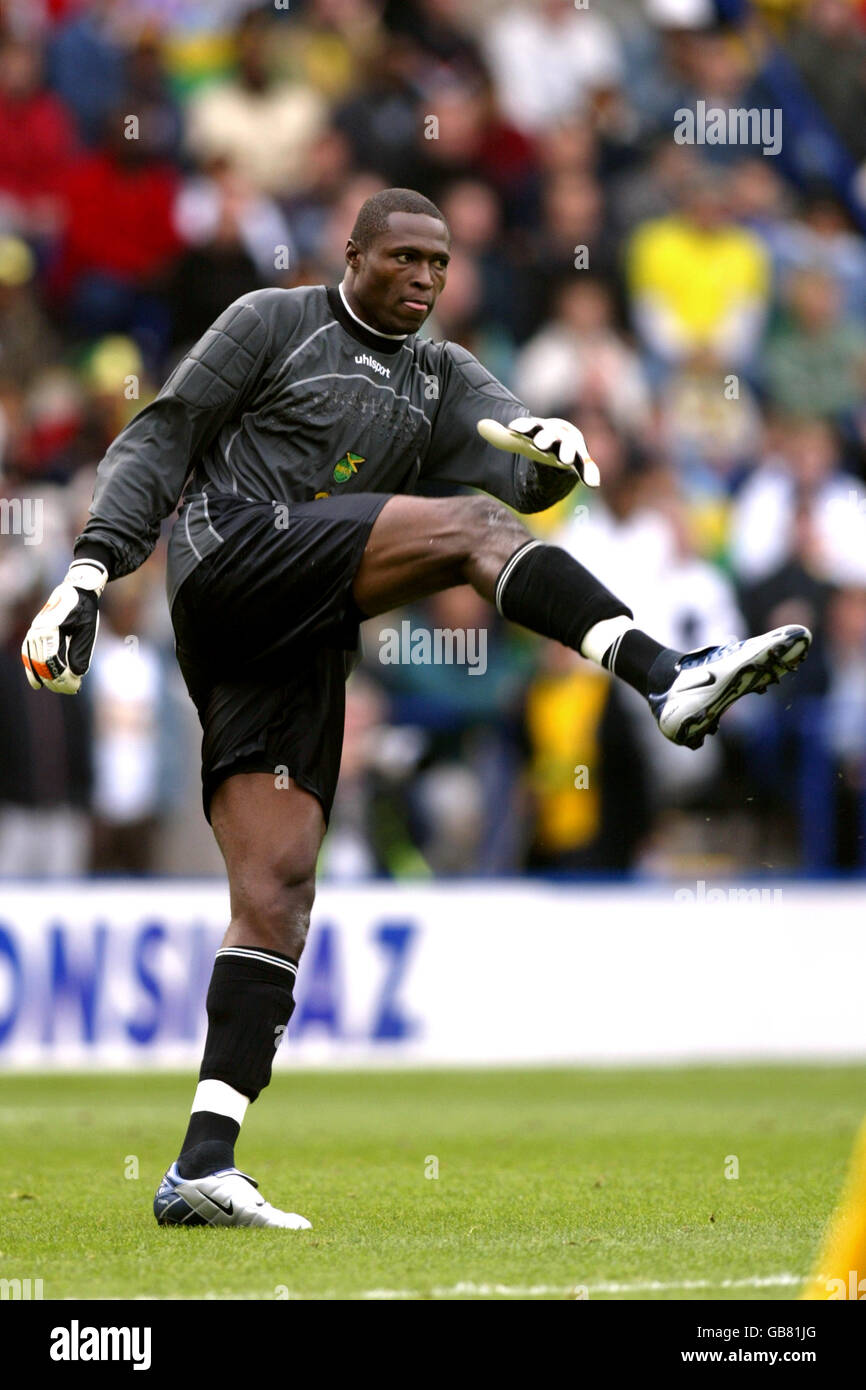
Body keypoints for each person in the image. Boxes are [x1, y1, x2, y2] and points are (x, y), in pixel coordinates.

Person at [20, 188, 810, 1229]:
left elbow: (509, 471)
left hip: (295, 638)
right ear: (350, 255)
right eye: (403, 258)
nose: (425, 279)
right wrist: (85, 573)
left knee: (277, 892)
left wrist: (546, 454)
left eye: (438, 264)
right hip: (228, 560)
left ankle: (202, 1163)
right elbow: (159, 438)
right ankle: (665, 675)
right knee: (469, 530)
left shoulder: (438, 374)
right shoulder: (272, 322)